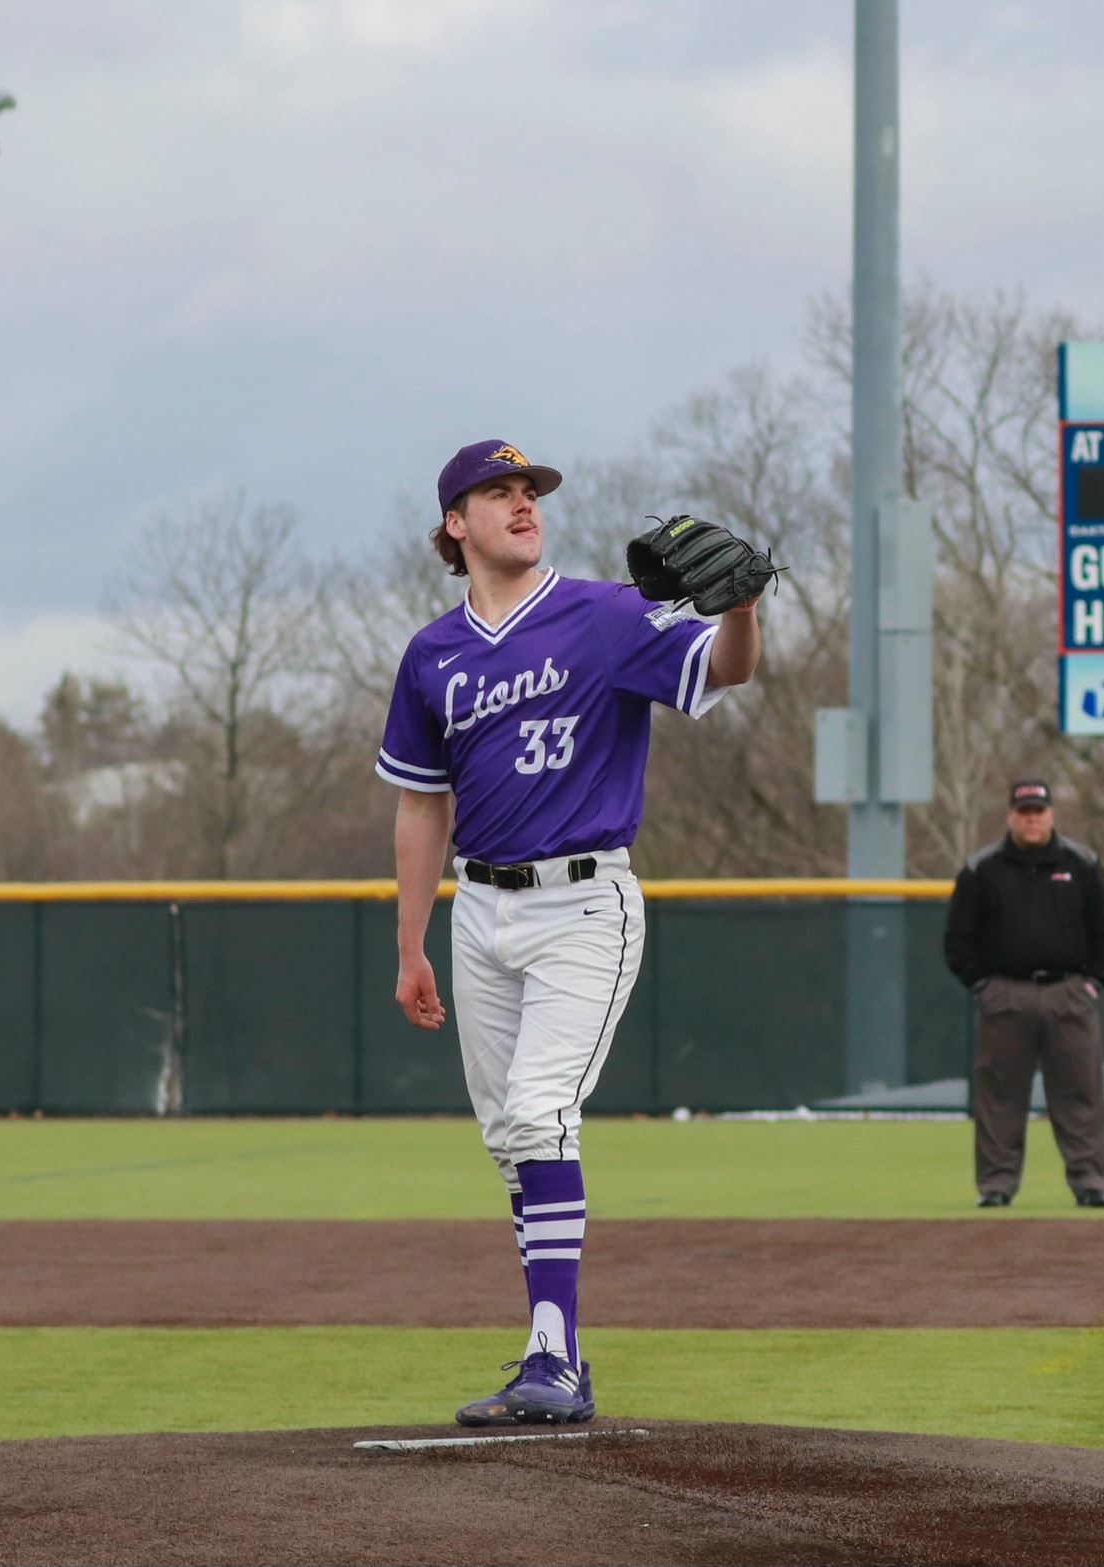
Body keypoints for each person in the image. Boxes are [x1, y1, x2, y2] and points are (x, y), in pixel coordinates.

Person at [380, 439, 761, 1425]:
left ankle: (550, 1354)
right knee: (510, 1139)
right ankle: (561, 1356)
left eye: (530, 490)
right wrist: (410, 943)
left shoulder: (602, 614)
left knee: (542, 1110)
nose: (522, 503)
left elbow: (724, 668)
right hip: (479, 910)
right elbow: (421, 807)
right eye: (496, 492)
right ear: (453, 524)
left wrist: (743, 604)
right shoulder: (433, 654)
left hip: (584, 903)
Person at [943, 779, 1104, 1209]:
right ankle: (996, 1185)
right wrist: (982, 987)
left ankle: (1090, 1183)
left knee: (1080, 1094)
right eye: (1024, 811)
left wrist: (1091, 984)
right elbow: (957, 939)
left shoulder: (1081, 863)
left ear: (1051, 815)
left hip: (1068, 993)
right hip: (1006, 996)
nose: (1032, 819)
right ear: (1010, 816)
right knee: (999, 1096)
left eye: (1038, 811)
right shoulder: (981, 869)